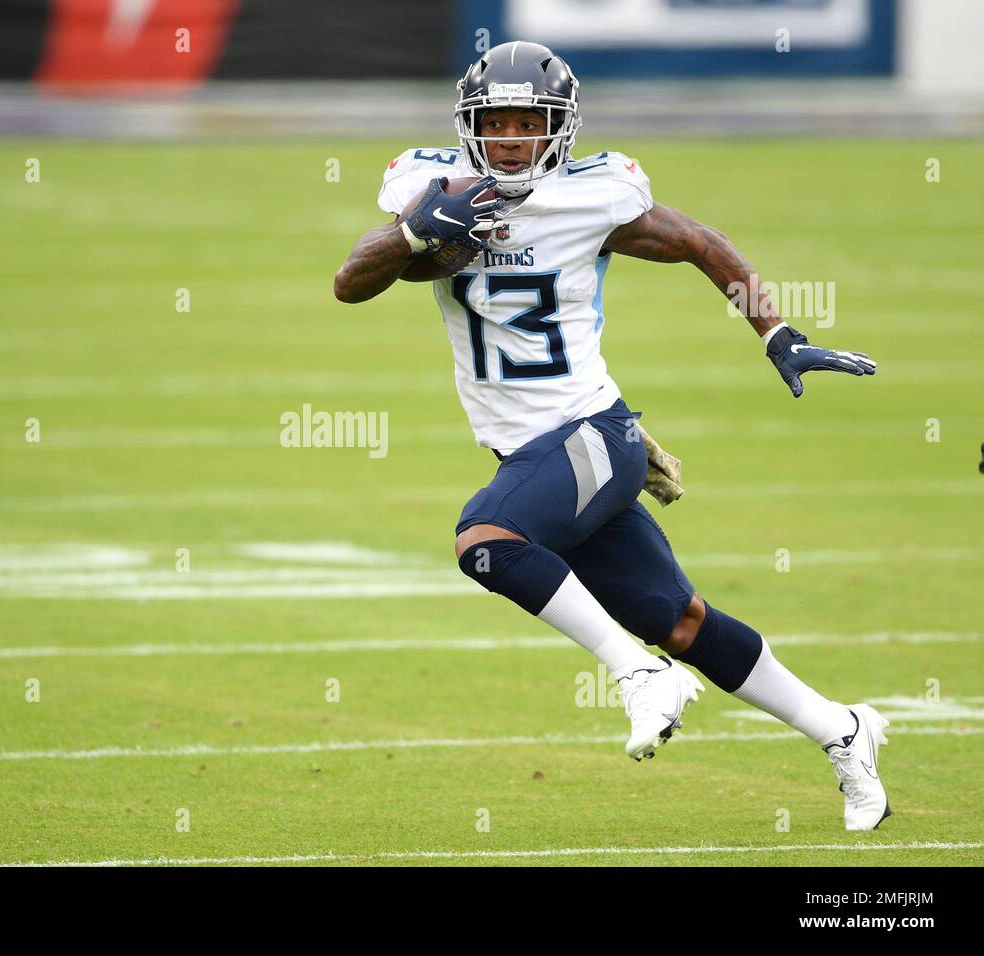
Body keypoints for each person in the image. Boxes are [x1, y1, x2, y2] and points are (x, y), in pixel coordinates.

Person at [333, 41, 889, 830]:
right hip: (538, 455)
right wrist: (416, 231)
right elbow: (351, 282)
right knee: (683, 621)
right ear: (469, 127)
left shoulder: (591, 195)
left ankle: (635, 674)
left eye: (532, 123)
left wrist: (778, 333)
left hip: (593, 435)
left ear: (560, 129)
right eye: (498, 123)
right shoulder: (429, 187)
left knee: (484, 540)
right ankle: (846, 729)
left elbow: (698, 240)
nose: (514, 140)